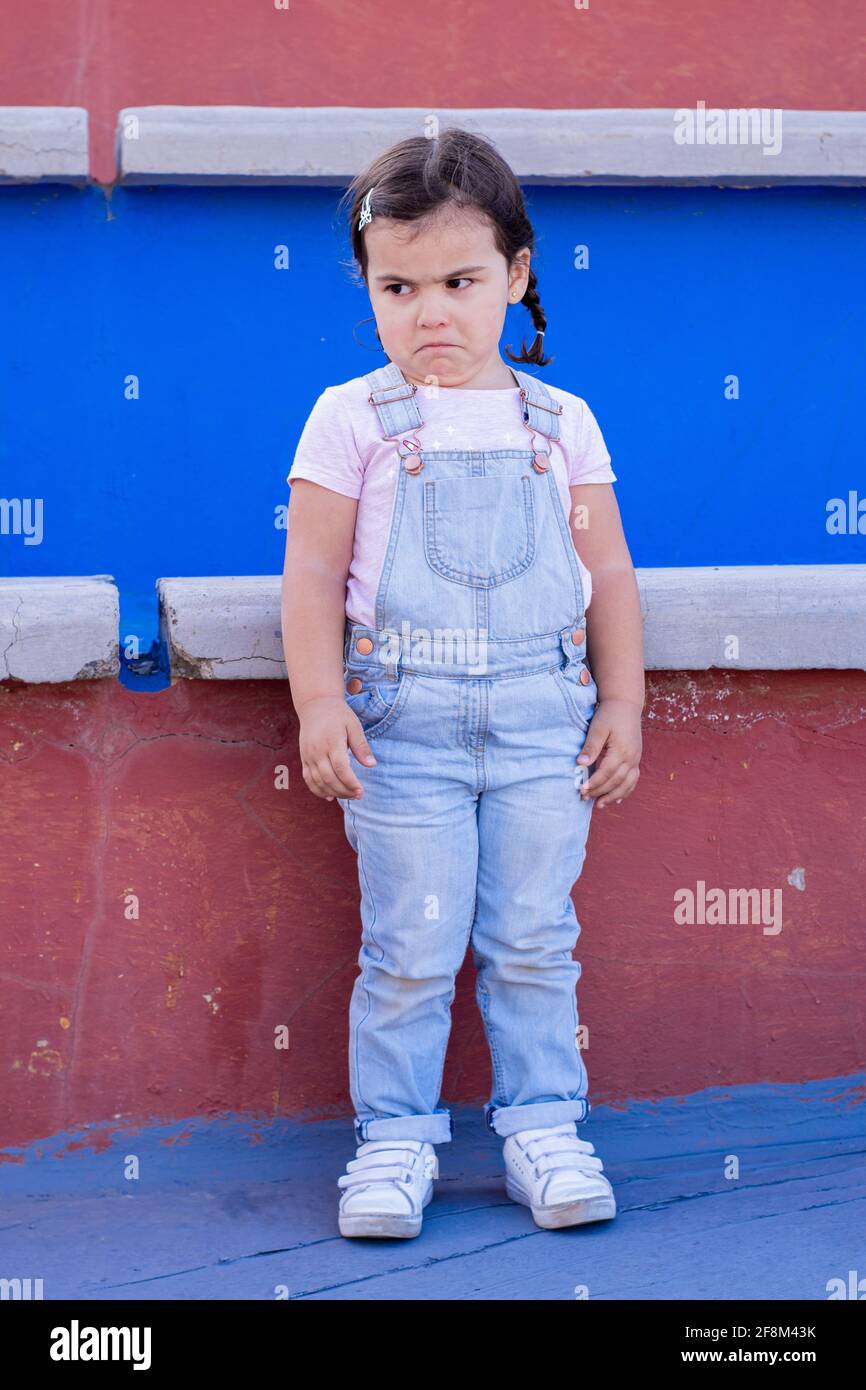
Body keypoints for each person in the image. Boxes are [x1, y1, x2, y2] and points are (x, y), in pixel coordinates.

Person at [281, 127, 644, 1240]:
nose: (428, 311)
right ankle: (393, 1140)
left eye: (458, 282)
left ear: (515, 276)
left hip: (544, 724)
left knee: (534, 935)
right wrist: (317, 701)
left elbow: (607, 574)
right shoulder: (353, 416)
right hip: (404, 731)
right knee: (407, 946)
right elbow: (309, 574)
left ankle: (542, 1123)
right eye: (397, 286)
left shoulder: (559, 422)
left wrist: (621, 703)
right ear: (367, 285)